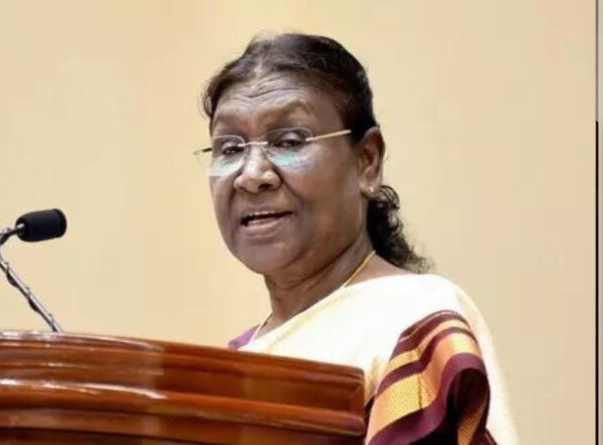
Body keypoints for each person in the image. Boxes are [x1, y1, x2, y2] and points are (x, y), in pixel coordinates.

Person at [196, 33, 518, 444]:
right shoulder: (236, 362)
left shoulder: (415, 326)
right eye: (229, 148)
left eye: (288, 142)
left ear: (367, 161)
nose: (252, 175)